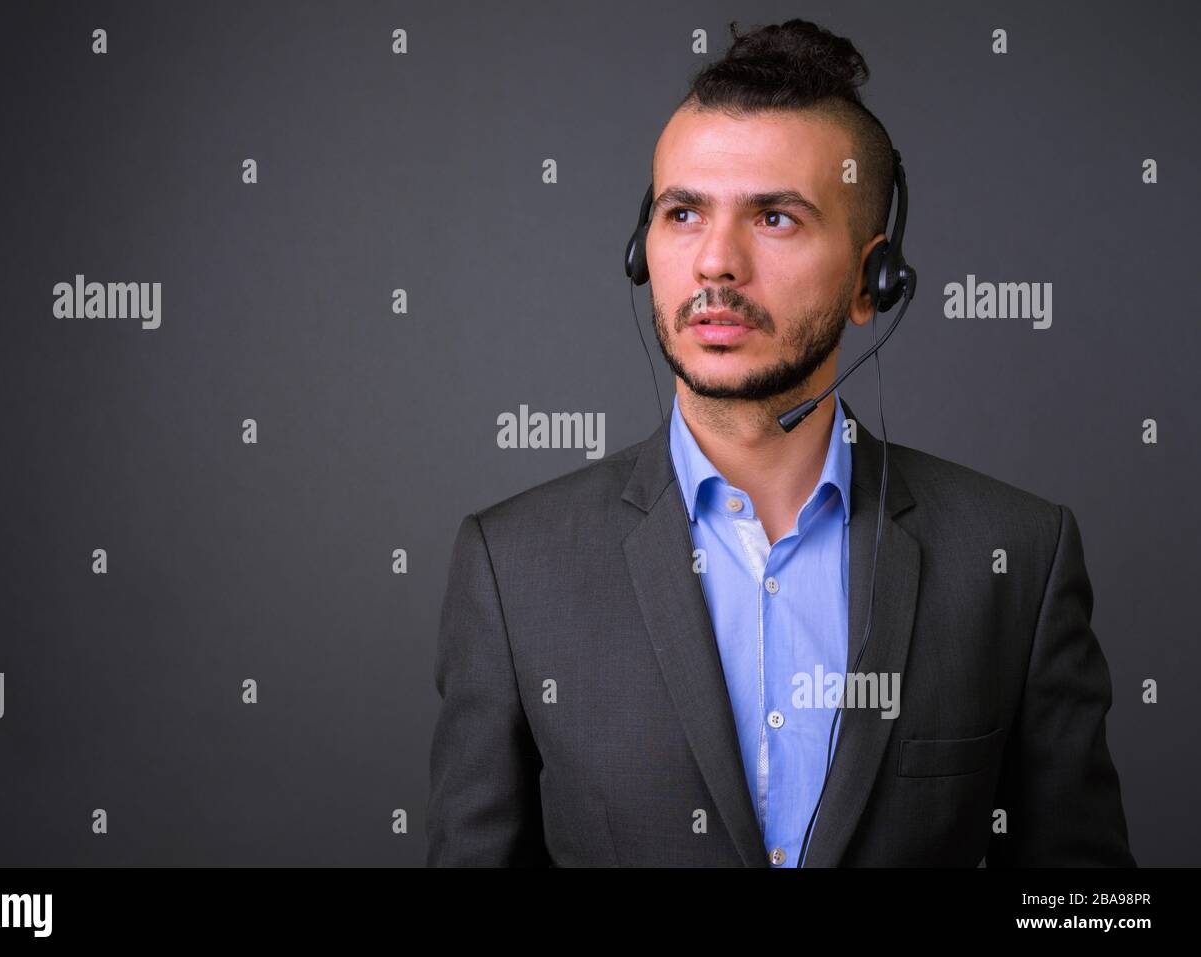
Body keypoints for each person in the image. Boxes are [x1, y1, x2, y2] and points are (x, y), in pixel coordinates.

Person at [425, 18, 1134, 867]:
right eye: (682, 212)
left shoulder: (1017, 555)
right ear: (641, 251)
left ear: (875, 282)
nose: (716, 263)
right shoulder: (512, 566)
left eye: (775, 218)